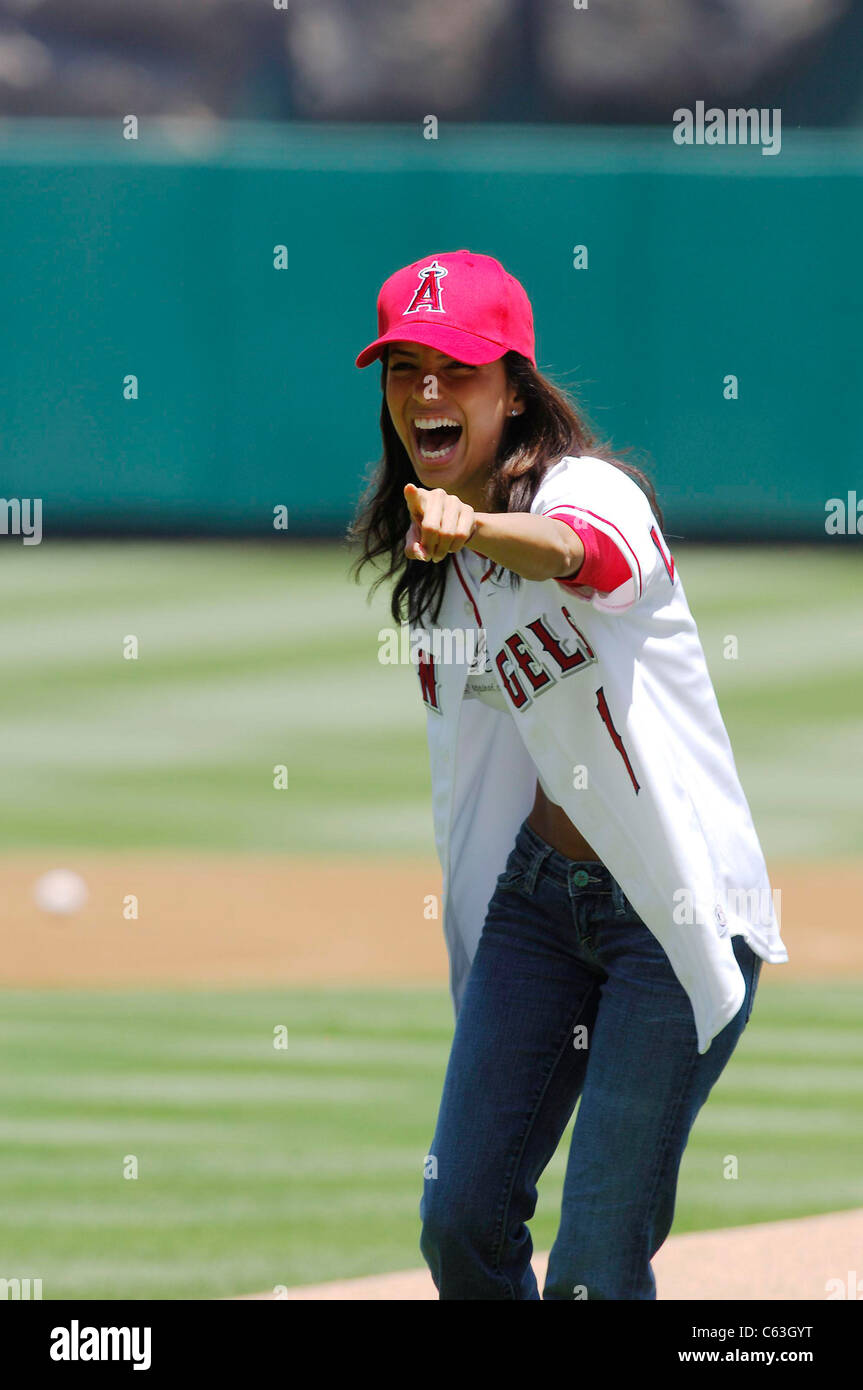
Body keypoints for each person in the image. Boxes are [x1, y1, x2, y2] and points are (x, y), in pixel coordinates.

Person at [349, 249, 789, 1300]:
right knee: (458, 1222)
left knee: (593, 1265)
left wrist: (482, 525)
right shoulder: (441, 573)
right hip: (538, 908)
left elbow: (588, 554)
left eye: (454, 367)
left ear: (513, 385)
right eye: (402, 366)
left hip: (670, 906)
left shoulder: (583, 488)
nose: (424, 392)